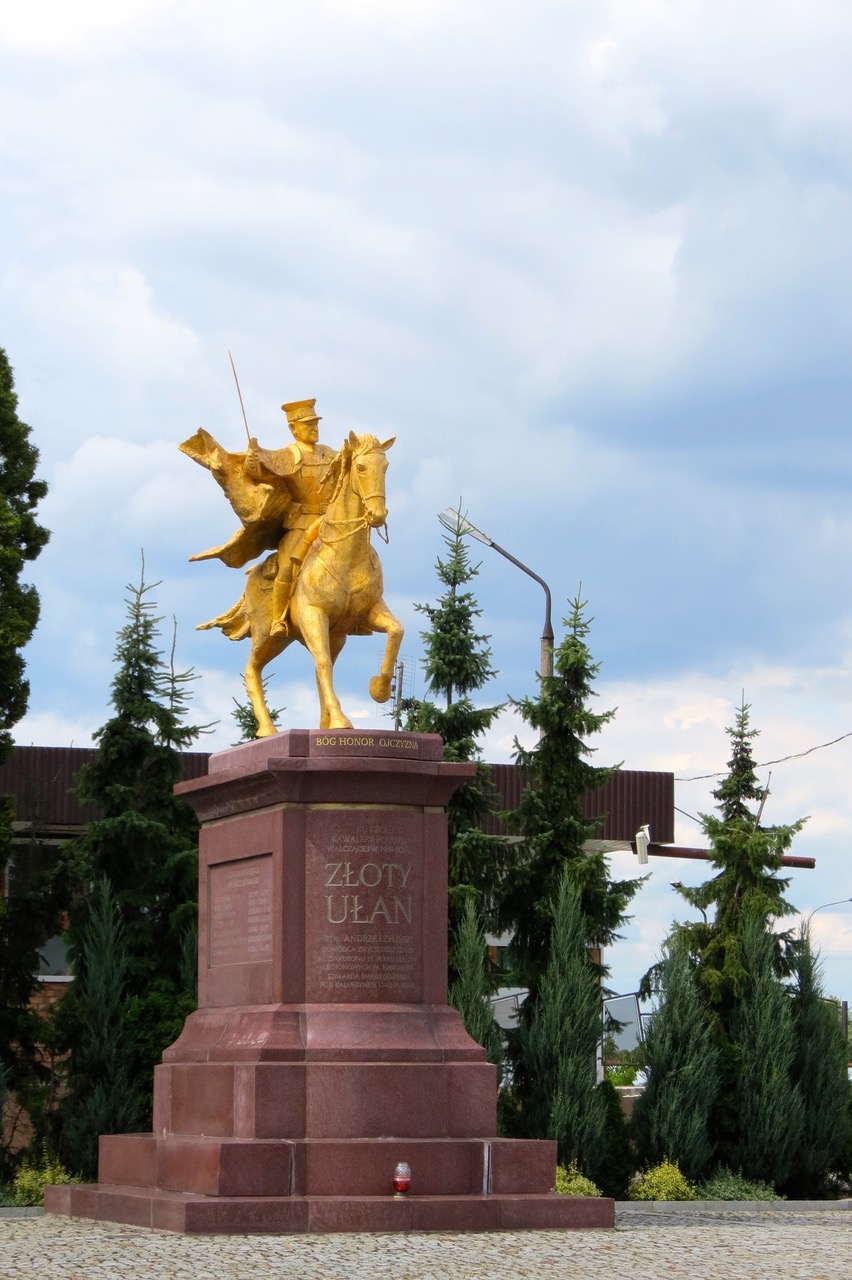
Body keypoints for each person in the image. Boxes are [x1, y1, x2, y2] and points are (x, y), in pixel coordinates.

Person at [179, 397, 337, 633]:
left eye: (315, 423)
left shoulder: (329, 453)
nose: (314, 427)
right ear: (293, 428)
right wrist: (252, 464)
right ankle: (278, 619)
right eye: (307, 424)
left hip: (331, 524)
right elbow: (259, 471)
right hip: (301, 525)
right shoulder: (287, 455)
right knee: (287, 568)